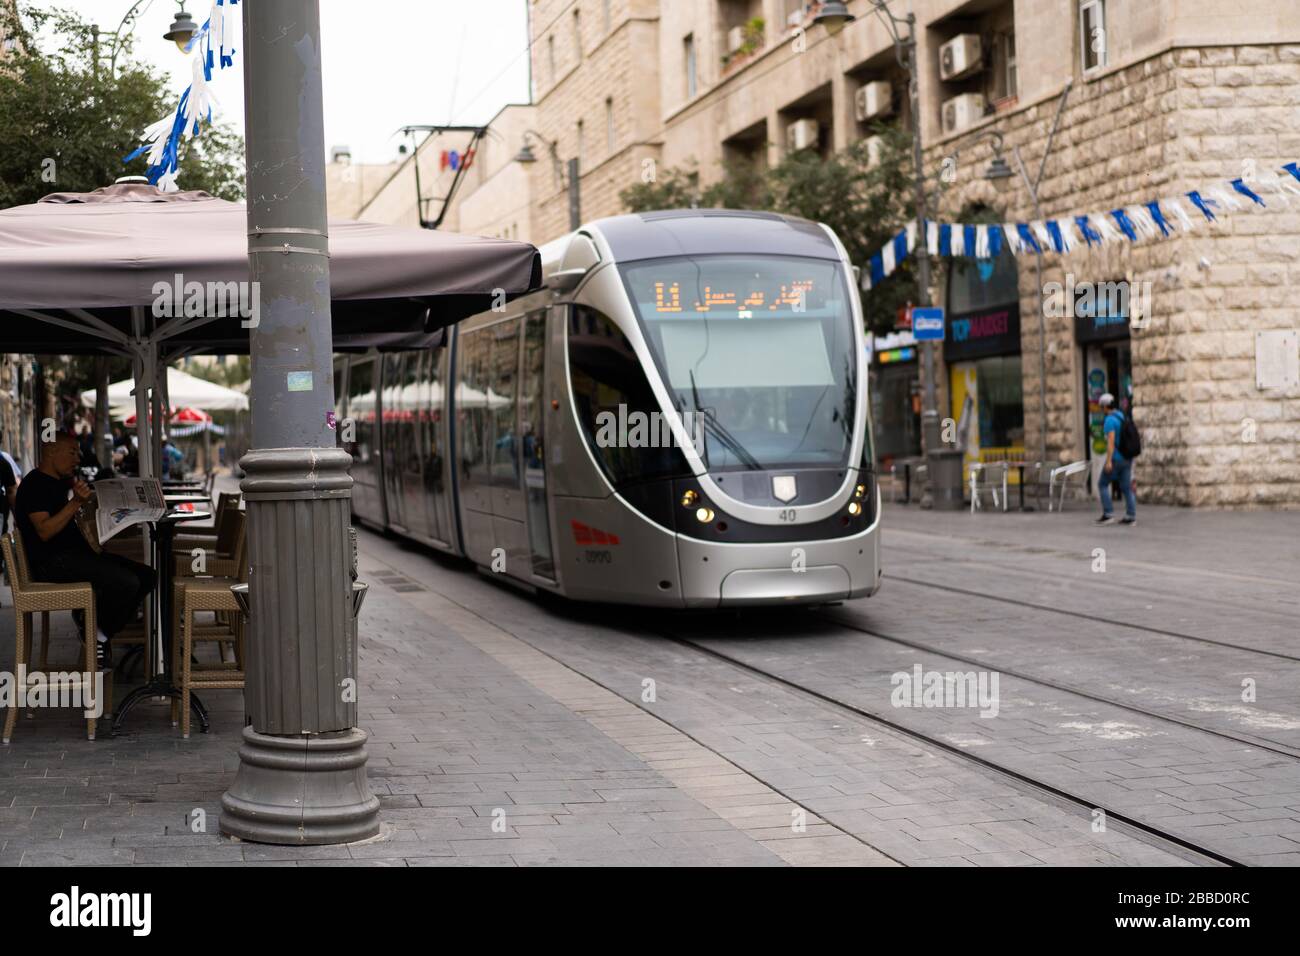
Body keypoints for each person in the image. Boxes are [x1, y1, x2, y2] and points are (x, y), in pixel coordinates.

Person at [14, 433, 155, 668]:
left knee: (148, 576)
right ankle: (95, 631)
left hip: (75, 556)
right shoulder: (35, 484)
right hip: (53, 563)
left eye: (78, 452)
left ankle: (95, 627)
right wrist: (75, 503)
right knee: (127, 582)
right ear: (50, 452)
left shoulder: (58, 483)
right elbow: (45, 531)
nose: (78, 458)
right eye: (72, 452)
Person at [1096, 393, 1136, 526]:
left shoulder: (1109, 420)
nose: (1101, 410)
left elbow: (1111, 442)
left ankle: (1108, 514)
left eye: (1102, 407)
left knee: (1102, 484)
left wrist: (1108, 461)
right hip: (1127, 458)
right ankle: (1131, 516)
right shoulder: (1122, 416)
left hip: (1116, 459)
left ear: (1105, 407)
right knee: (1126, 487)